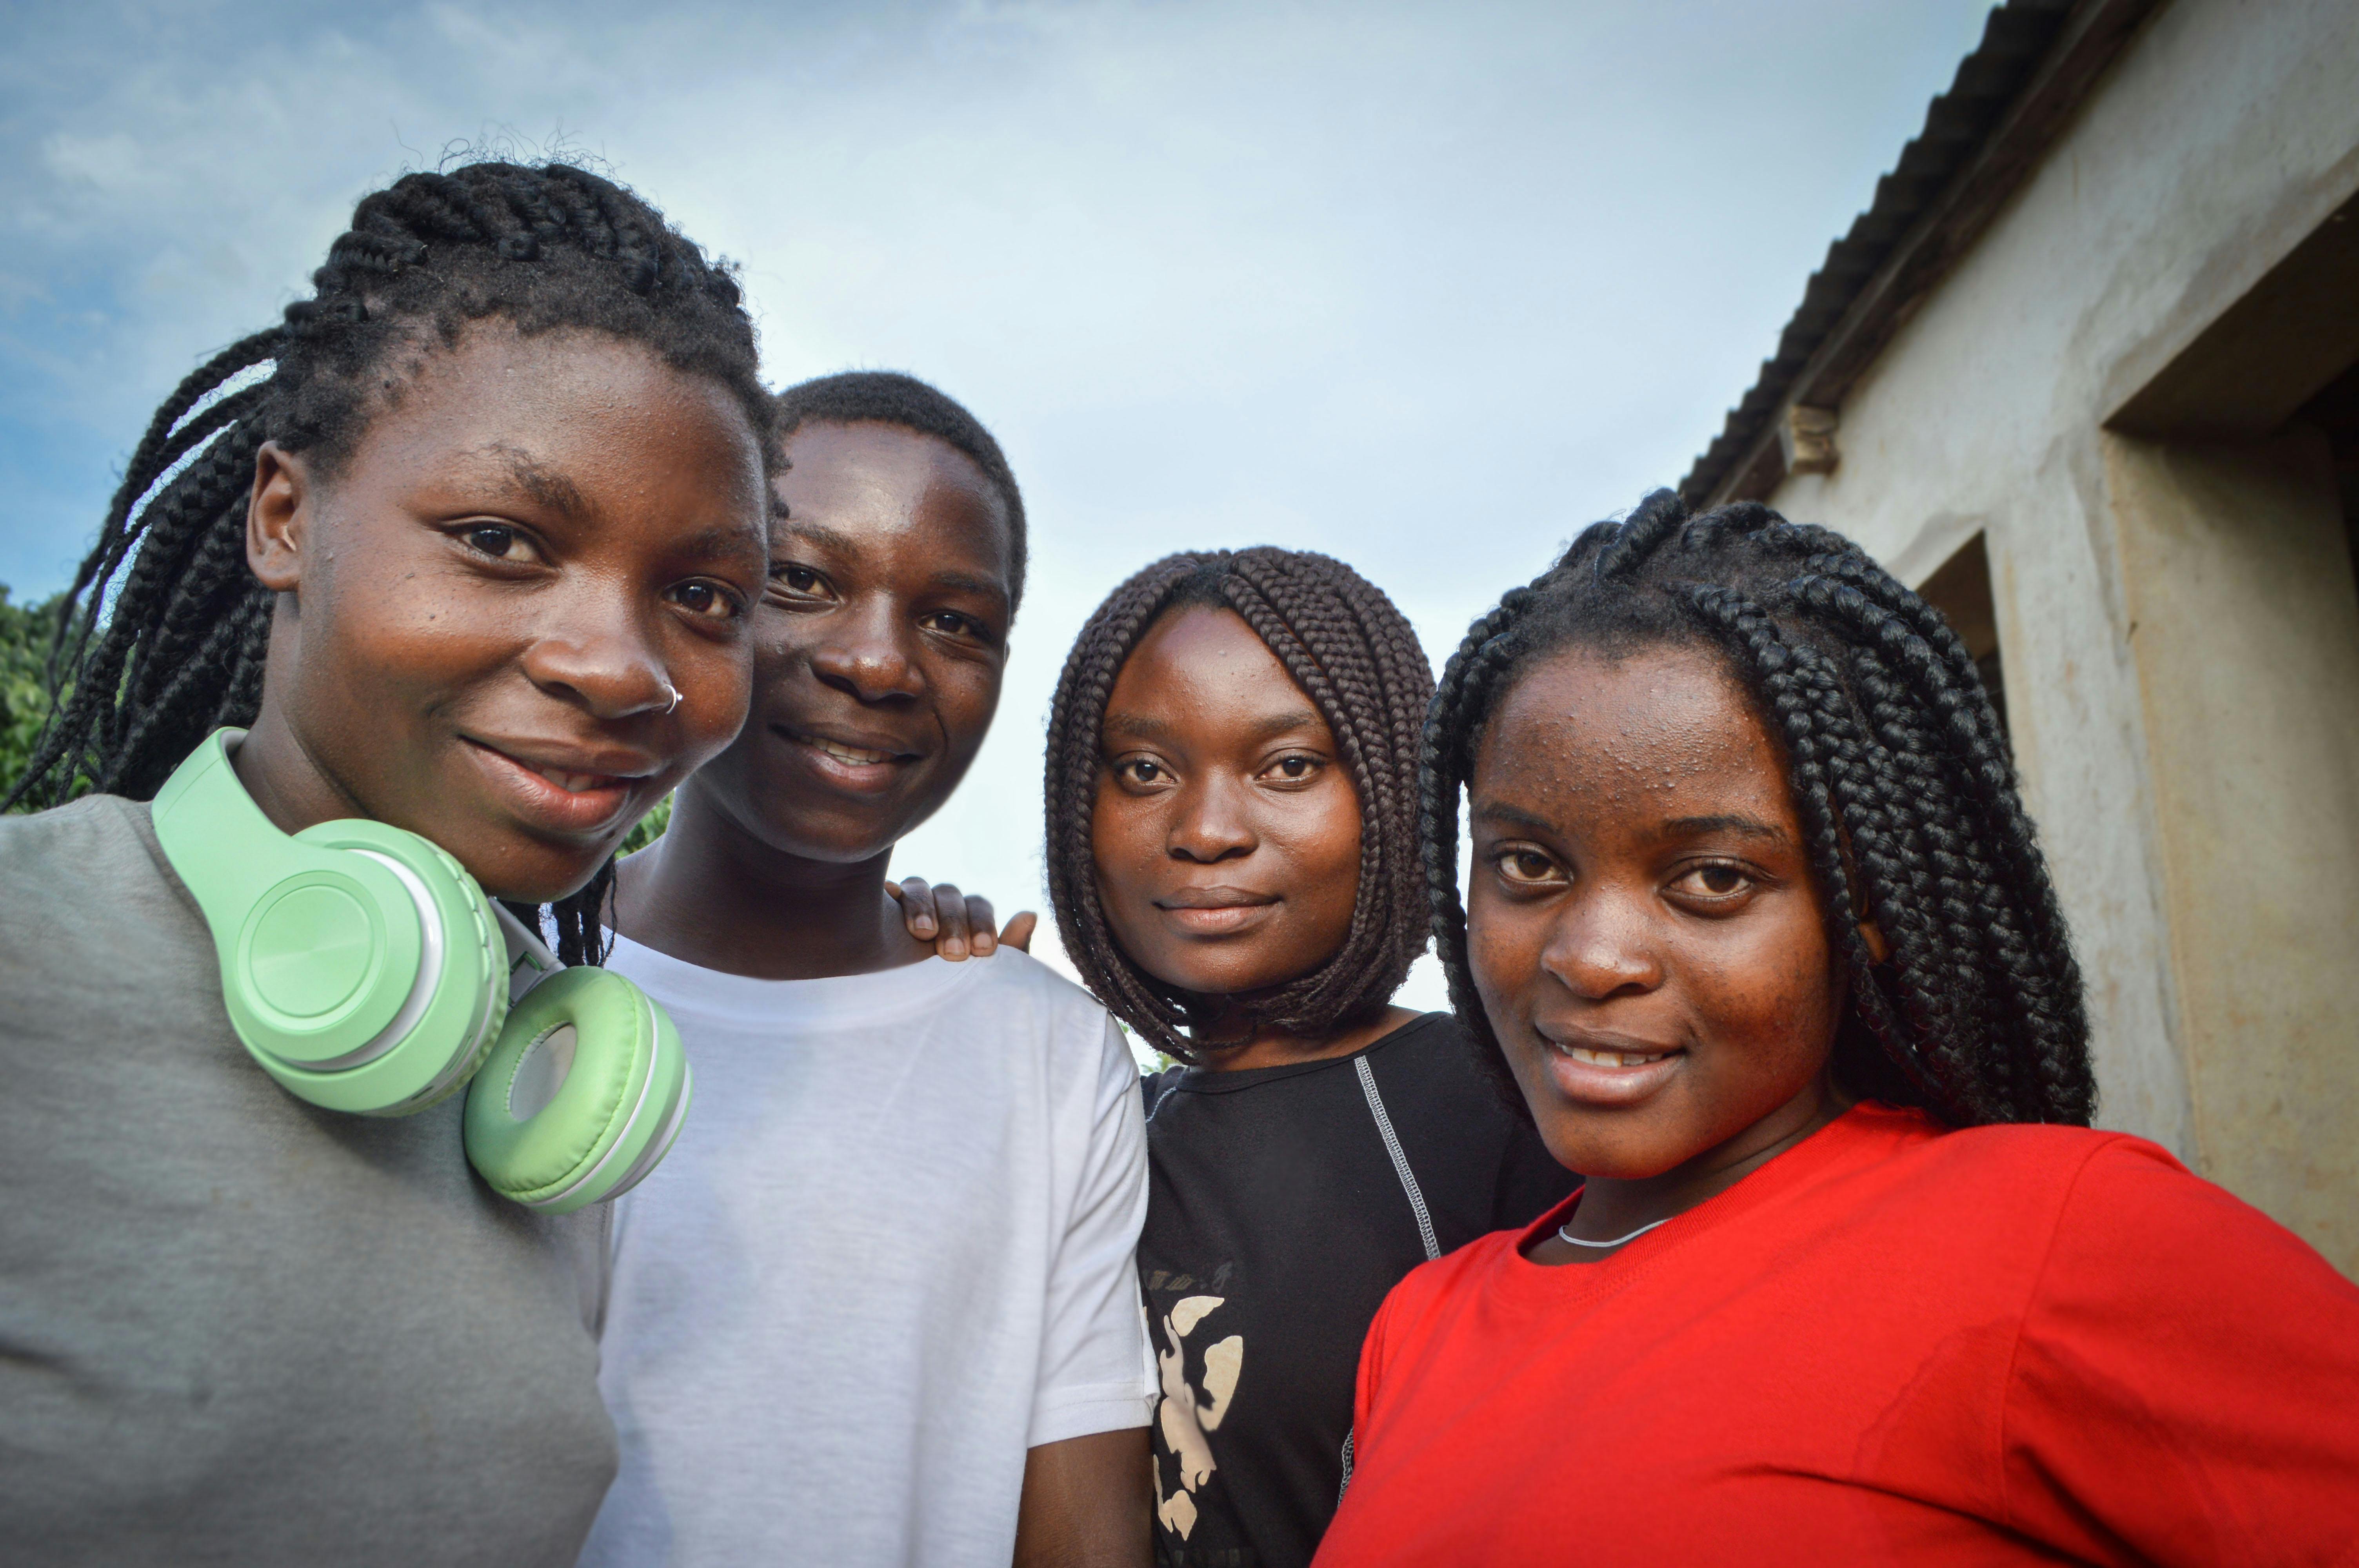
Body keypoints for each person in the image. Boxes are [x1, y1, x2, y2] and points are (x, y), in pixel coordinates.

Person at [1312, 491, 2359, 1564]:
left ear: (1863, 910)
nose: (1591, 956)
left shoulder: (2058, 1234)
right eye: (1530, 865)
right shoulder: (1422, 1326)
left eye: (1713, 879)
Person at [0, 162, 778, 1567]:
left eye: (702, 597)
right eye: (499, 541)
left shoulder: (545, 1086)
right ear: (286, 520)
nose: (621, 669)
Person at [578, 371, 1155, 1568]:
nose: (882, 665)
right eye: (801, 581)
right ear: (701, 592)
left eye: (956, 621)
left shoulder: (1050, 1056)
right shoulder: (507, 962)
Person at [1041, 549, 1578, 1568]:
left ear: (1389, 790)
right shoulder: (1098, 1122)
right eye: (1145, 772)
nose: (1204, 831)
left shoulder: (1512, 1100)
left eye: (1287, 766)